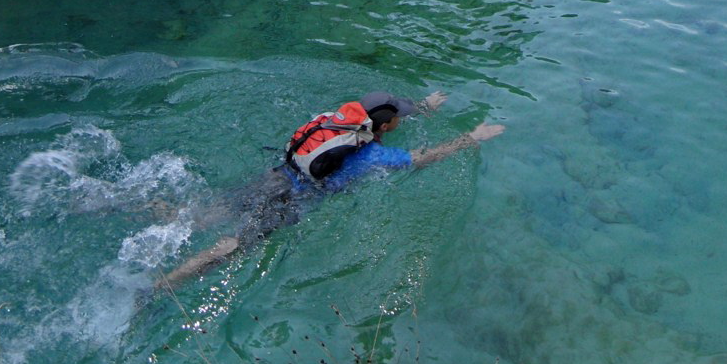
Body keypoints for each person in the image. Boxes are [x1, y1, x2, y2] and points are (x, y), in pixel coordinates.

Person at [156, 90, 504, 290]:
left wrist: (423, 109)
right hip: (292, 200)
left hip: (276, 176)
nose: (401, 121)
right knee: (235, 244)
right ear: (384, 126)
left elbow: (379, 120)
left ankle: (126, 204)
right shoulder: (373, 155)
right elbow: (424, 157)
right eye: (400, 117)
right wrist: (469, 139)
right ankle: (161, 287)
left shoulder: (332, 120)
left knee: (201, 216)